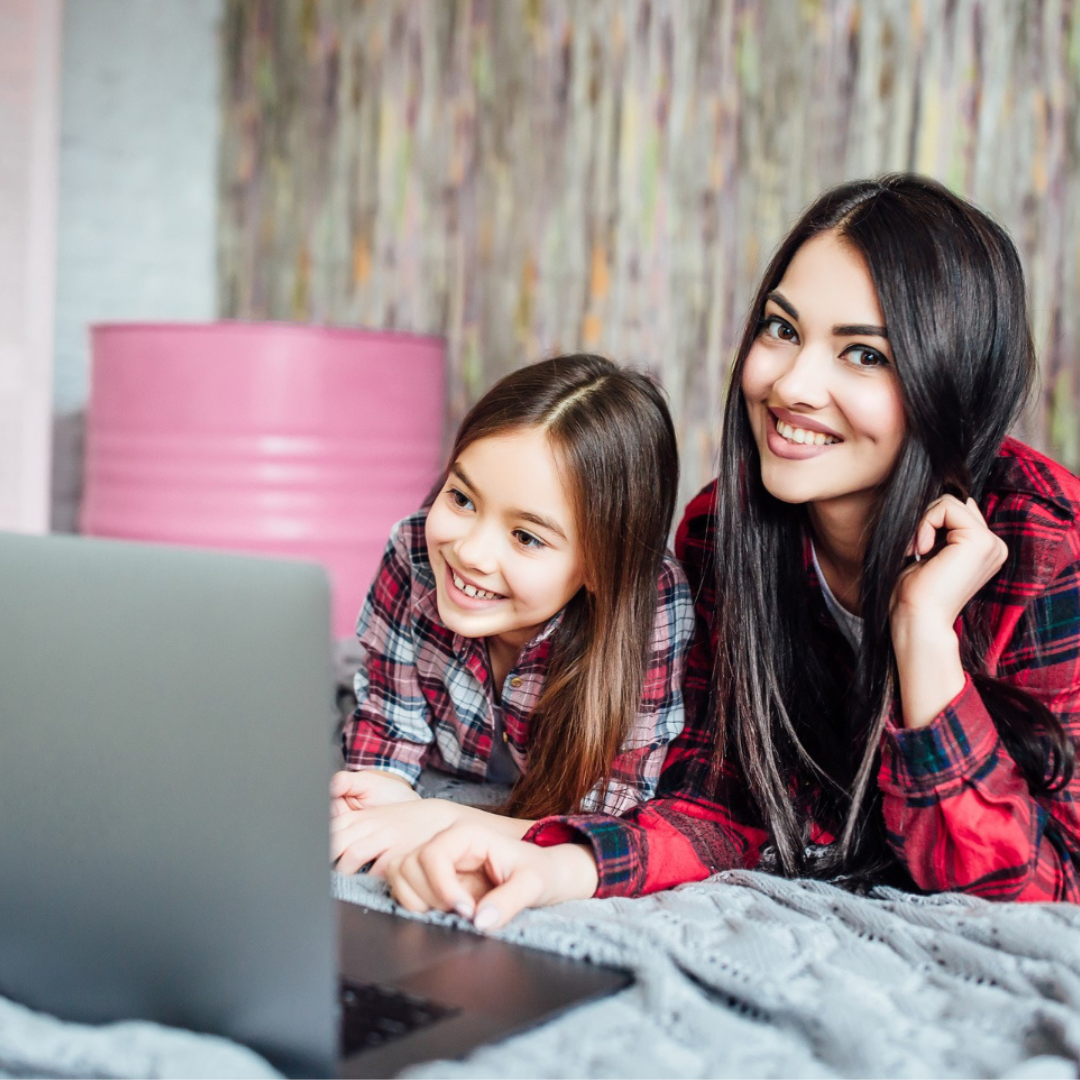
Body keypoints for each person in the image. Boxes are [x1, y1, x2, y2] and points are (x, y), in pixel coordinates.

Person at [383, 174, 1080, 930]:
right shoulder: (723, 530)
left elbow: (1036, 897)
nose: (791, 384)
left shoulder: (1046, 549)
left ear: (952, 380)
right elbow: (726, 803)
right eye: (782, 329)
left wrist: (923, 637)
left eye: (864, 356)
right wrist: (555, 861)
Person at [329, 353, 694, 877]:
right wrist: (378, 793)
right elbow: (387, 736)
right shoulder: (414, 550)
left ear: (601, 563)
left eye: (525, 536)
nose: (471, 552)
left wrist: (437, 819)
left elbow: (613, 823)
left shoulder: (652, 608)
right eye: (461, 498)